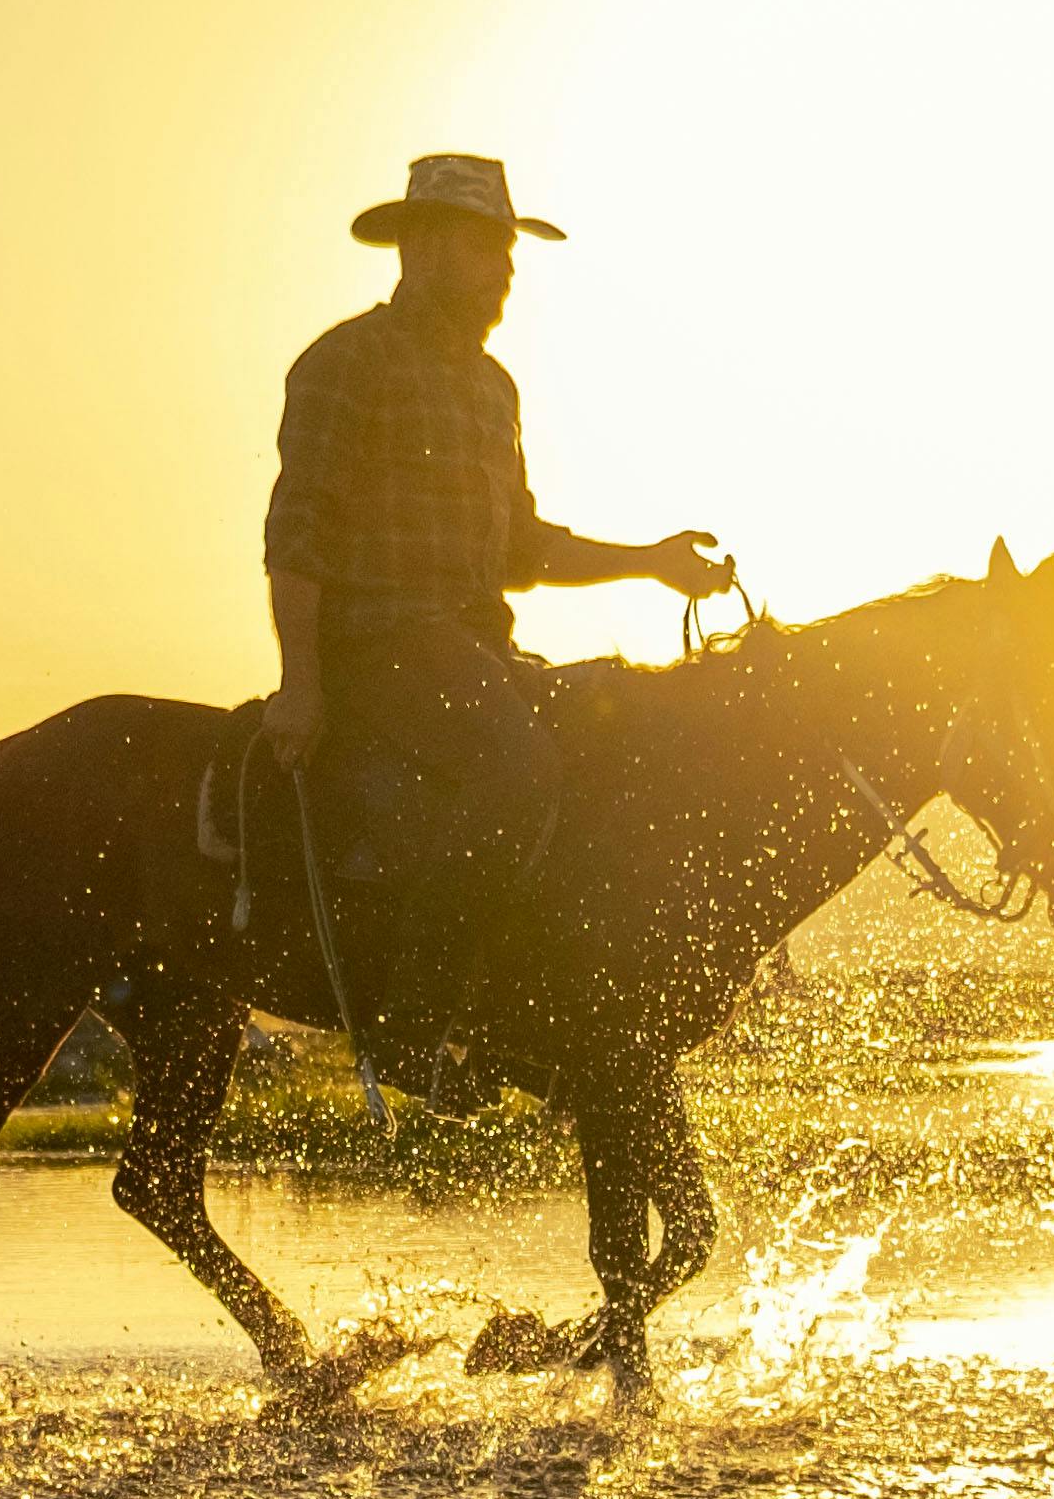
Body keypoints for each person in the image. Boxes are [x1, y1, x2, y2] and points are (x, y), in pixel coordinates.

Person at [259, 154, 728, 1057]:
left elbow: (521, 550)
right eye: (487, 249)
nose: (507, 270)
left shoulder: (491, 388)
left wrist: (652, 564)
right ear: (424, 248)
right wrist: (302, 683)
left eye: (509, 251)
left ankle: (552, 1006)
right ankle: (412, 1025)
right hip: (377, 645)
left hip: (473, 650)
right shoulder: (345, 363)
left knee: (611, 739)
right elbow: (298, 532)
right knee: (517, 770)